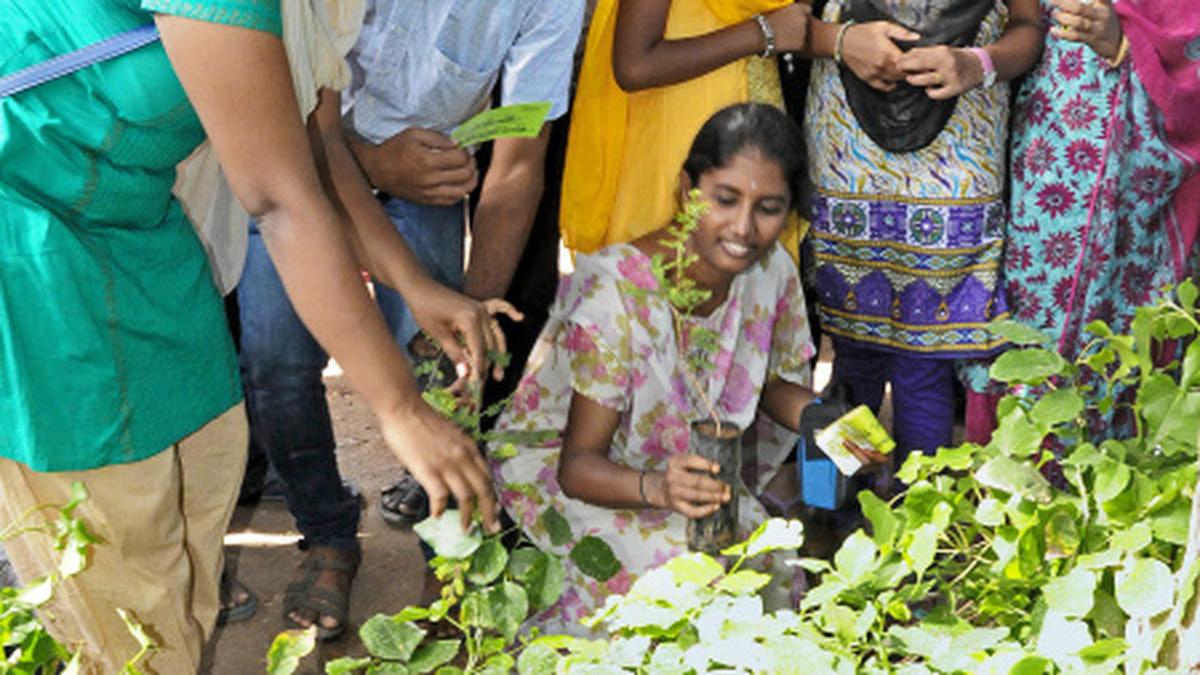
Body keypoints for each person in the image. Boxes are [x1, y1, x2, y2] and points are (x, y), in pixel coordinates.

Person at [0, 1, 504, 670]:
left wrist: (414, 285)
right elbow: (279, 196)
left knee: (201, 483)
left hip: (136, 224)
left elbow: (317, 146)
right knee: (120, 595)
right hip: (31, 242)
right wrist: (398, 405)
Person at [235, 0, 584, 637]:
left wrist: (474, 315)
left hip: (427, 194)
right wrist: (374, 162)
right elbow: (300, 119)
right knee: (276, 363)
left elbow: (518, 167)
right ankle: (327, 535)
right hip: (295, 170)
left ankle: (448, 559)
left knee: (442, 379)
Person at [493, 104, 885, 634]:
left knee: (766, 565)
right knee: (683, 579)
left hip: (687, 472)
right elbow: (578, 465)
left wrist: (833, 424)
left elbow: (764, 379)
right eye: (725, 199)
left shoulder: (771, 271)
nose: (744, 228)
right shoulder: (616, 295)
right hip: (571, 472)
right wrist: (659, 489)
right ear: (686, 189)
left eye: (769, 207)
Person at [801, 0, 1042, 463]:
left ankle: (916, 517)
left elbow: (1029, 23)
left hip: (960, 143)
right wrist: (841, 41)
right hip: (847, 144)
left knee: (925, 362)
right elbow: (783, 24)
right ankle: (852, 503)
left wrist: (979, 63)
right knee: (853, 355)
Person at [979, 0, 1200, 436]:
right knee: (1028, 321)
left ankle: (1113, 486)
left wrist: (1126, 42)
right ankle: (1025, 475)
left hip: (1143, 174)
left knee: (1135, 346)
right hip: (1043, 150)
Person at [560, 0, 812, 259]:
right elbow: (635, 65)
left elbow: (796, 23)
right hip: (677, 139)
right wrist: (762, 33)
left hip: (749, 136)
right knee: (676, 273)